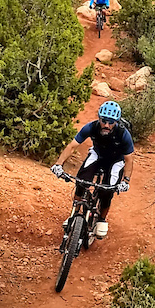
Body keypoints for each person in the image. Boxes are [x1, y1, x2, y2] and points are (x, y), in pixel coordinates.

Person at [50, 101, 133, 238]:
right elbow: (72, 146)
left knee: (108, 190)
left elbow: (129, 159)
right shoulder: (91, 127)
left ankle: (101, 220)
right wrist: (58, 164)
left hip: (115, 161)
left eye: (111, 122)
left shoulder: (123, 134)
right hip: (98, 155)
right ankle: (74, 214)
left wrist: (126, 181)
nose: (106, 125)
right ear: (99, 118)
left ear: (116, 122)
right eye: (104, 121)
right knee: (81, 181)